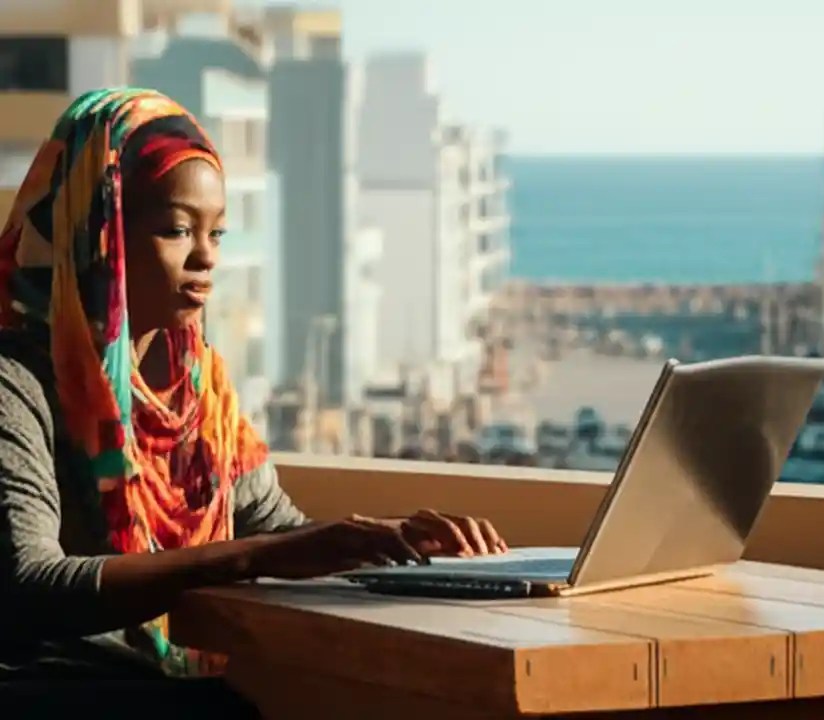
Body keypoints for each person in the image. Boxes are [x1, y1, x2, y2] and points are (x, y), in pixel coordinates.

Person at [0, 88, 507, 716]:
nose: (206, 255)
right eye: (176, 230)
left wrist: (399, 544)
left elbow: (274, 530)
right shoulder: (14, 380)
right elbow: (29, 585)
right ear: (96, 232)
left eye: (217, 232)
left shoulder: (198, 389)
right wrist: (254, 557)